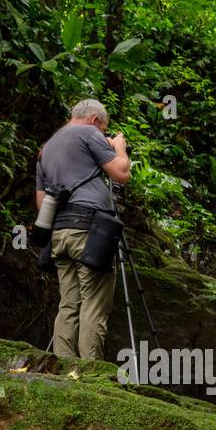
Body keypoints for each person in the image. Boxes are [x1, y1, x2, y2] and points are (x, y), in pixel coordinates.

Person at [35, 98, 131, 360]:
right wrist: (119, 148)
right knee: (93, 303)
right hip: (89, 231)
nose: (102, 134)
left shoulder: (47, 147)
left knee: (68, 304)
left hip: (59, 234)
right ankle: (90, 372)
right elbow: (121, 173)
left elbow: (41, 202)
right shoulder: (89, 132)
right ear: (94, 120)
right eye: (103, 129)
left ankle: (63, 369)